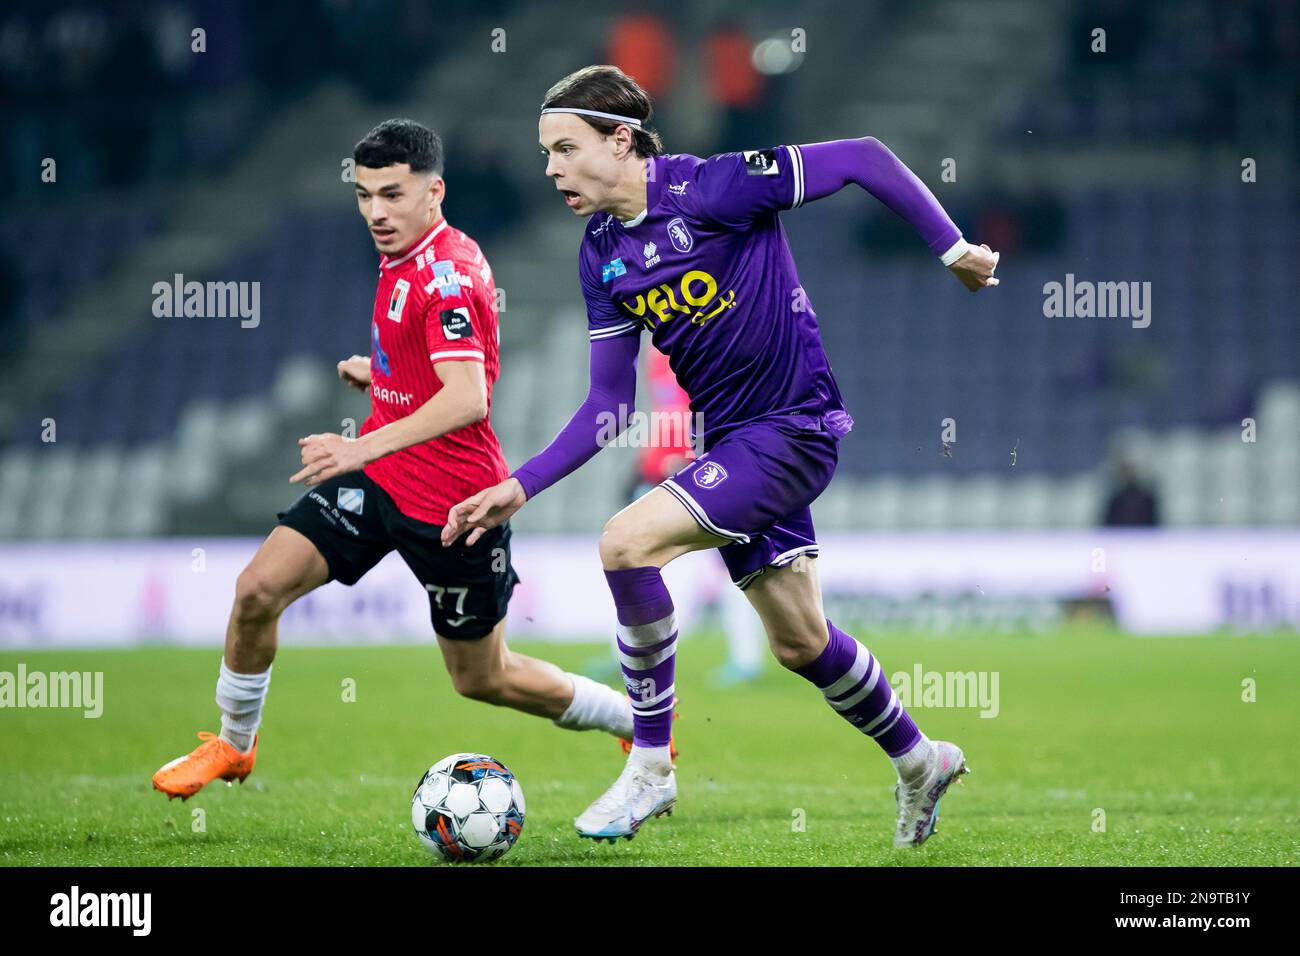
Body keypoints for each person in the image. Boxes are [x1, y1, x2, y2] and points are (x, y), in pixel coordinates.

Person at [442, 67, 999, 846]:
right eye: (547, 153)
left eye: (565, 148)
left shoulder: (714, 188)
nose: (551, 169)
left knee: (624, 544)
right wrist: (520, 486)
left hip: (793, 428)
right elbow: (609, 407)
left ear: (621, 140)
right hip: (733, 445)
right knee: (801, 641)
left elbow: (867, 156)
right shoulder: (601, 255)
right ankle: (920, 759)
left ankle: (649, 766)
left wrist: (955, 249)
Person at [151, 119, 632, 802]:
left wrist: (357, 444)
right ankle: (234, 744)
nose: (377, 211)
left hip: (455, 506)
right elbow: (439, 373)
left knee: (481, 678)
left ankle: (631, 718)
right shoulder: (404, 252)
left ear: (433, 192)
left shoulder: (448, 275)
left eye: (393, 195)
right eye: (365, 194)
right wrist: (380, 383)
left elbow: (468, 397)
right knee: (258, 590)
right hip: (379, 482)